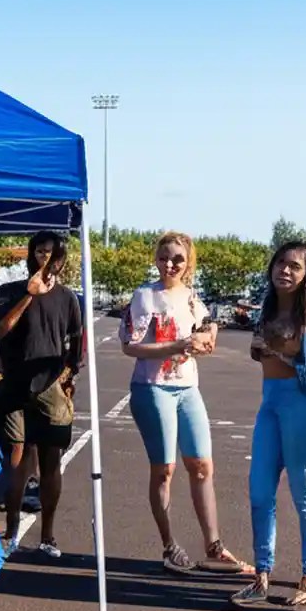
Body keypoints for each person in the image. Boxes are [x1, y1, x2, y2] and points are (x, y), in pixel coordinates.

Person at [119, 232, 250, 574]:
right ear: (155, 259)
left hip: (187, 387)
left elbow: (205, 327)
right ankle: (169, 545)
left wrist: (208, 337)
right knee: (165, 470)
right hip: (153, 387)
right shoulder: (145, 296)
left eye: (178, 258)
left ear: (188, 262)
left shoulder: (192, 297)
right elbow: (130, 346)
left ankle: (214, 545)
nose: (170, 264)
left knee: (202, 465)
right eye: (164, 257)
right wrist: (178, 346)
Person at [231, 241, 306, 607]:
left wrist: (281, 354)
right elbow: (264, 353)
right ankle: (262, 574)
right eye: (280, 263)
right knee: (260, 491)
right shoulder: (269, 308)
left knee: (303, 490)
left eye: (294, 266)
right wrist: (261, 350)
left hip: (305, 407)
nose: (285, 271)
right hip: (271, 403)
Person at [0, 231, 82, 560]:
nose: (46, 259)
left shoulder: (68, 298)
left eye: (53, 255)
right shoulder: (8, 292)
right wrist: (29, 294)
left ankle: (47, 535)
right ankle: (11, 531)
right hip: (14, 385)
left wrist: (69, 377)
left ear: (62, 261)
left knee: (50, 461)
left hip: (51, 386)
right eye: (41, 252)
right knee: (17, 458)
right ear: (31, 254)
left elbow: (75, 344)